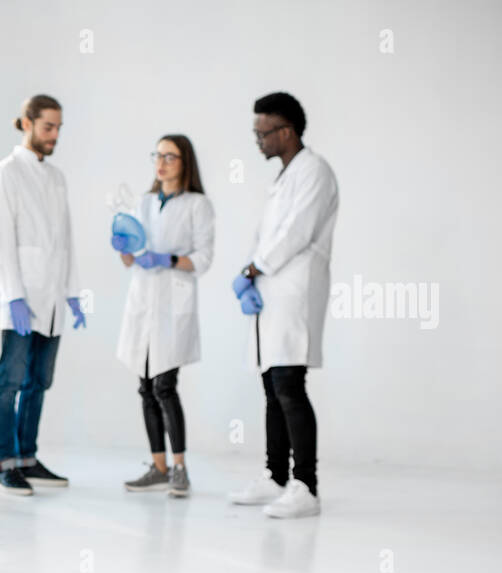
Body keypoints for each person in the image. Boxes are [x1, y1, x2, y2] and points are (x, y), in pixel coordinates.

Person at [229, 92, 338, 518]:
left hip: (295, 288)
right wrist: (252, 270)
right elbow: (268, 234)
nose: (258, 140)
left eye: (263, 132)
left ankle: (305, 486)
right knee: (272, 386)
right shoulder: (284, 176)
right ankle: (275, 477)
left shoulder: (315, 172)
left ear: (287, 131)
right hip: (273, 290)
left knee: (290, 385)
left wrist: (254, 268)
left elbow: (296, 232)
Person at [0, 94, 85, 496]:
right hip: (22, 297)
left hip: (54, 297)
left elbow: (66, 239)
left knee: (39, 381)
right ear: (26, 123)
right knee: (9, 381)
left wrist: (74, 292)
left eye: (59, 127)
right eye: (48, 126)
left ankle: (27, 457)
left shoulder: (57, 177)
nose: (55, 135)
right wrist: (12, 295)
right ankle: (5, 464)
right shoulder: (4, 174)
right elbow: (0, 239)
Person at [114, 134, 214, 496]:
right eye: (157, 155)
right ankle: (157, 466)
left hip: (174, 303)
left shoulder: (197, 205)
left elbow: (203, 259)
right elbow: (131, 258)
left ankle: (180, 468)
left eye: (170, 156)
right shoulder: (143, 202)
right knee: (145, 387)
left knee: (165, 386)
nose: (162, 162)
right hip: (143, 302)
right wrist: (122, 247)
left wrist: (167, 259)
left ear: (185, 162)